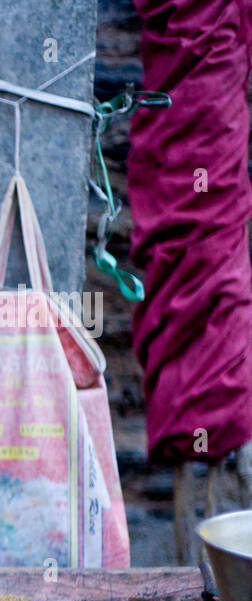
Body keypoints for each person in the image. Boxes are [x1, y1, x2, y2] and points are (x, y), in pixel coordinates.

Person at [127, 0, 252, 561]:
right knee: (191, 286)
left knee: (219, 295)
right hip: (180, 127)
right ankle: (195, 562)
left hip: (212, 129)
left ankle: (218, 552)